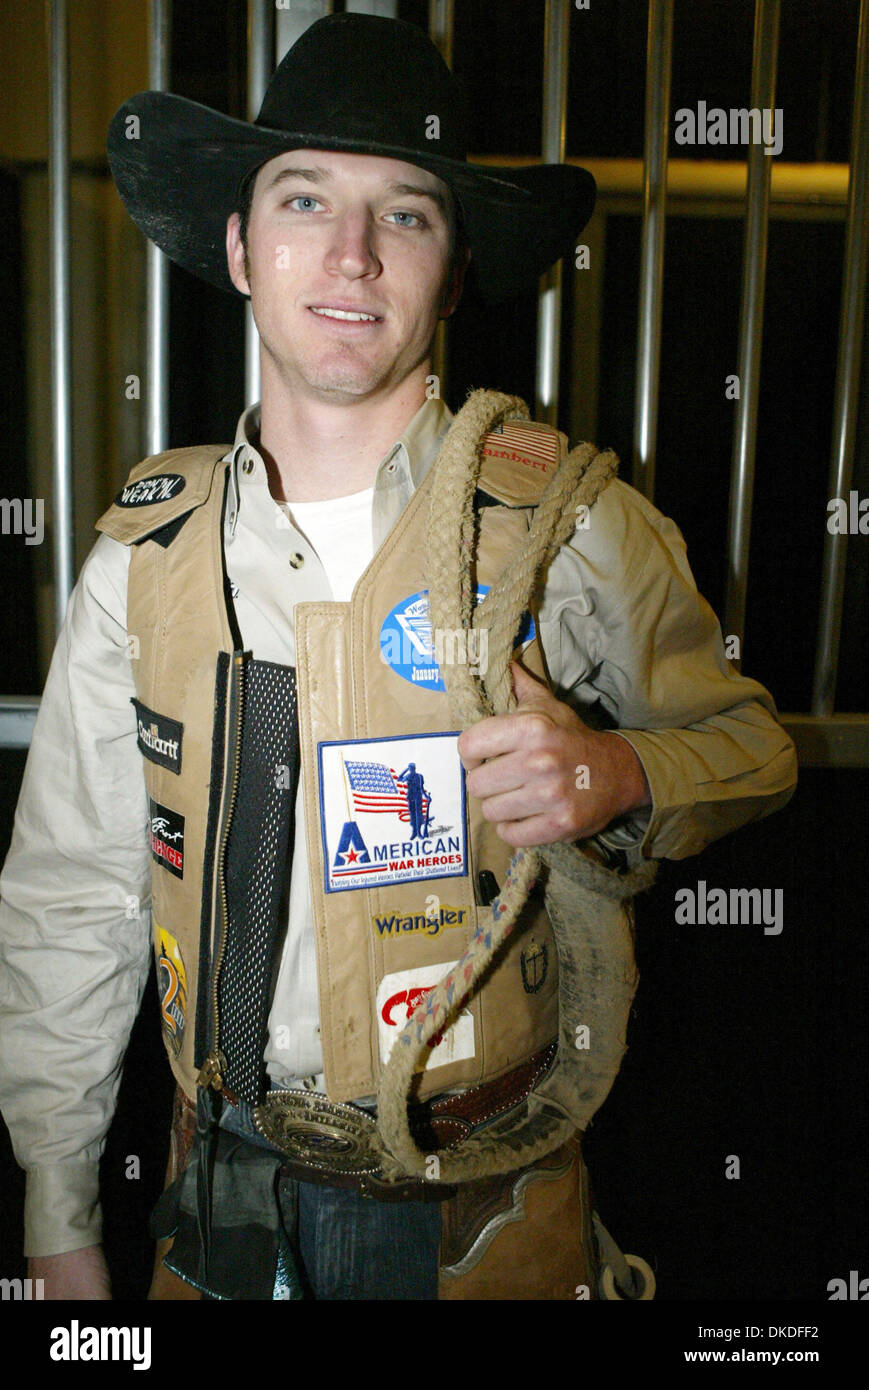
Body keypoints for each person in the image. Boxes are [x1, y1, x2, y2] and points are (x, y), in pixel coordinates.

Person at [0, 13, 797, 1301]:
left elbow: (755, 747)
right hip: (214, 1212)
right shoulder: (141, 562)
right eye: (306, 198)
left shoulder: (571, 527)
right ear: (240, 248)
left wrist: (614, 776)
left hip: (489, 1223)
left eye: (406, 214)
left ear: (453, 264)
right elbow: (70, 900)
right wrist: (57, 1211)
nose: (353, 254)